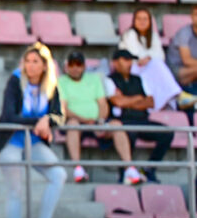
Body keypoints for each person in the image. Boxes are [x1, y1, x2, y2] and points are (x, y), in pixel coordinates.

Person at [0, 42, 66, 218]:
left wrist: (48, 120)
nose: (30, 65)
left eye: (35, 61)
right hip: (11, 140)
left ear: (44, 66)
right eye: (28, 61)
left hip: (34, 142)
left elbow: (59, 116)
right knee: (15, 190)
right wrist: (39, 122)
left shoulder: (50, 84)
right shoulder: (15, 81)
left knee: (58, 175)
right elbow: (9, 116)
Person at [58, 52, 141, 185]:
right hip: (77, 121)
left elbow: (103, 104)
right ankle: (78, 168)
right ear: (67, 67)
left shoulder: (94, 79)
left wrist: (100, 121)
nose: (75, 68)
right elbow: (64, 109)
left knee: (116, 124)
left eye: (78, 64)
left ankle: (129, 168)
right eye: (72, 64)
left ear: (84, 66)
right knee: (72, 124)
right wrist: (86, 121)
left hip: (97, 121)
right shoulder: (61, 81)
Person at [106, 49, 174, 183]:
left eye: (130, 60)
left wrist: (128, 101)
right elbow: (117, 102)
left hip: (141, 119)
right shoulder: (109, 79)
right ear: (115, 62)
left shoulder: (139, 79)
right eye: (125, 60)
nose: (129, 63)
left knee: (167, 133)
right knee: (129, 133)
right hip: (123, 121)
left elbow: (150, 102)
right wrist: (138, 98)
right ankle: (125, 172)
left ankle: (149, 169)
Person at [118, 7, 196, 111]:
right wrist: (148, 58)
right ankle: (179, 95)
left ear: (150, 21)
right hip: (134, 69)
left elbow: (160, 55)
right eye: (139, 19)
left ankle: (177, 97)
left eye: (145, 19)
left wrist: (148, 58)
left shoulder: (153, 36)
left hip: (150, 68)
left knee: (157, 63)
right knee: (156, 63)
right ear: (134, 21)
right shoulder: (129, 35)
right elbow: (134, 56)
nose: (142, 22)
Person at [168, 4, 197, 122]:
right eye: (196, 15)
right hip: (176, 70)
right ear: (191, 16)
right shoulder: (184, 32)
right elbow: (186, 60)